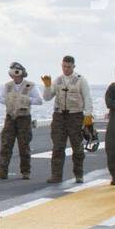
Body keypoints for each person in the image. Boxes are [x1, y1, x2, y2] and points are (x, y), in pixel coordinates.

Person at [41, 55, 93, 183]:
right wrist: (47, 86)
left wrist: (88, 115)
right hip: (59, 116)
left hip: (75, 116)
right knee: (58, 147)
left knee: (77, 147)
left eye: (69, 66)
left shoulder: (81, 80)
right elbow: (47, 97)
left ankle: (79, 174)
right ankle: (56, 176)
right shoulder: (58, 80)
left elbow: (87, 97)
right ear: (61, 65)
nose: (66, 69)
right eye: (64, 66)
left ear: (73, 66)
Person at [0, 61, 42, 180]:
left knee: (24, 145)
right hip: (10, 117)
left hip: (24, 117)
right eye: (12, 72)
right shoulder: (8, 86)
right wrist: (11, 101)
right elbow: (0, 99)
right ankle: (3, 170)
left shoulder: (30, 85)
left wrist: (24, 100)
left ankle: (26, 171)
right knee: (6, 144)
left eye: (17, 72)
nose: (15, 75)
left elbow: (39, 100)